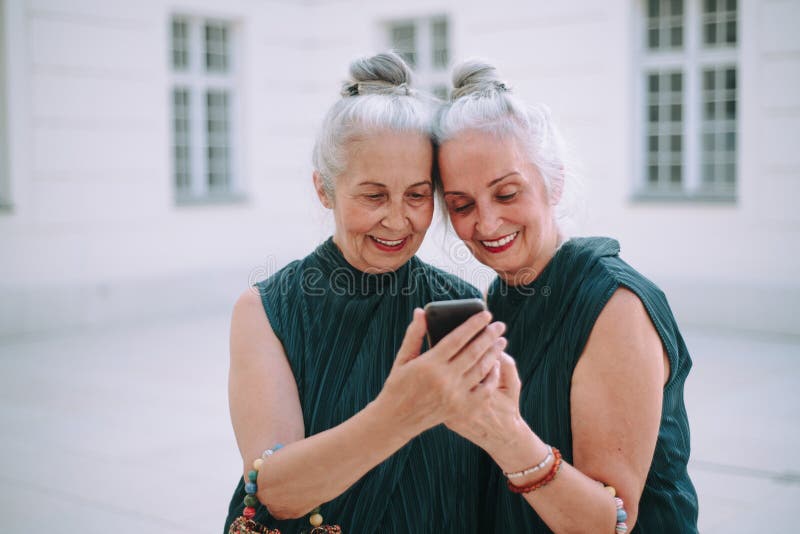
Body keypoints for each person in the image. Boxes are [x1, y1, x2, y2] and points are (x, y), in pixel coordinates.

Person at [223, 52, 506, 534]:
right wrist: (400, 413)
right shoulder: (268, 311)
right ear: (324, 189)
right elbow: (274, 490)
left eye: (417, 195)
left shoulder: (458, 304)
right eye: (374, 196)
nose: (398, 220)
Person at [433, 60, 699, 533]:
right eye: (462, 205)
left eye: (507, 193)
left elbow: (610, 522)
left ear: (552, 182)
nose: (487, 223)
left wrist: (502, 433)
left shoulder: (614, 306)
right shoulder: (501, 298)